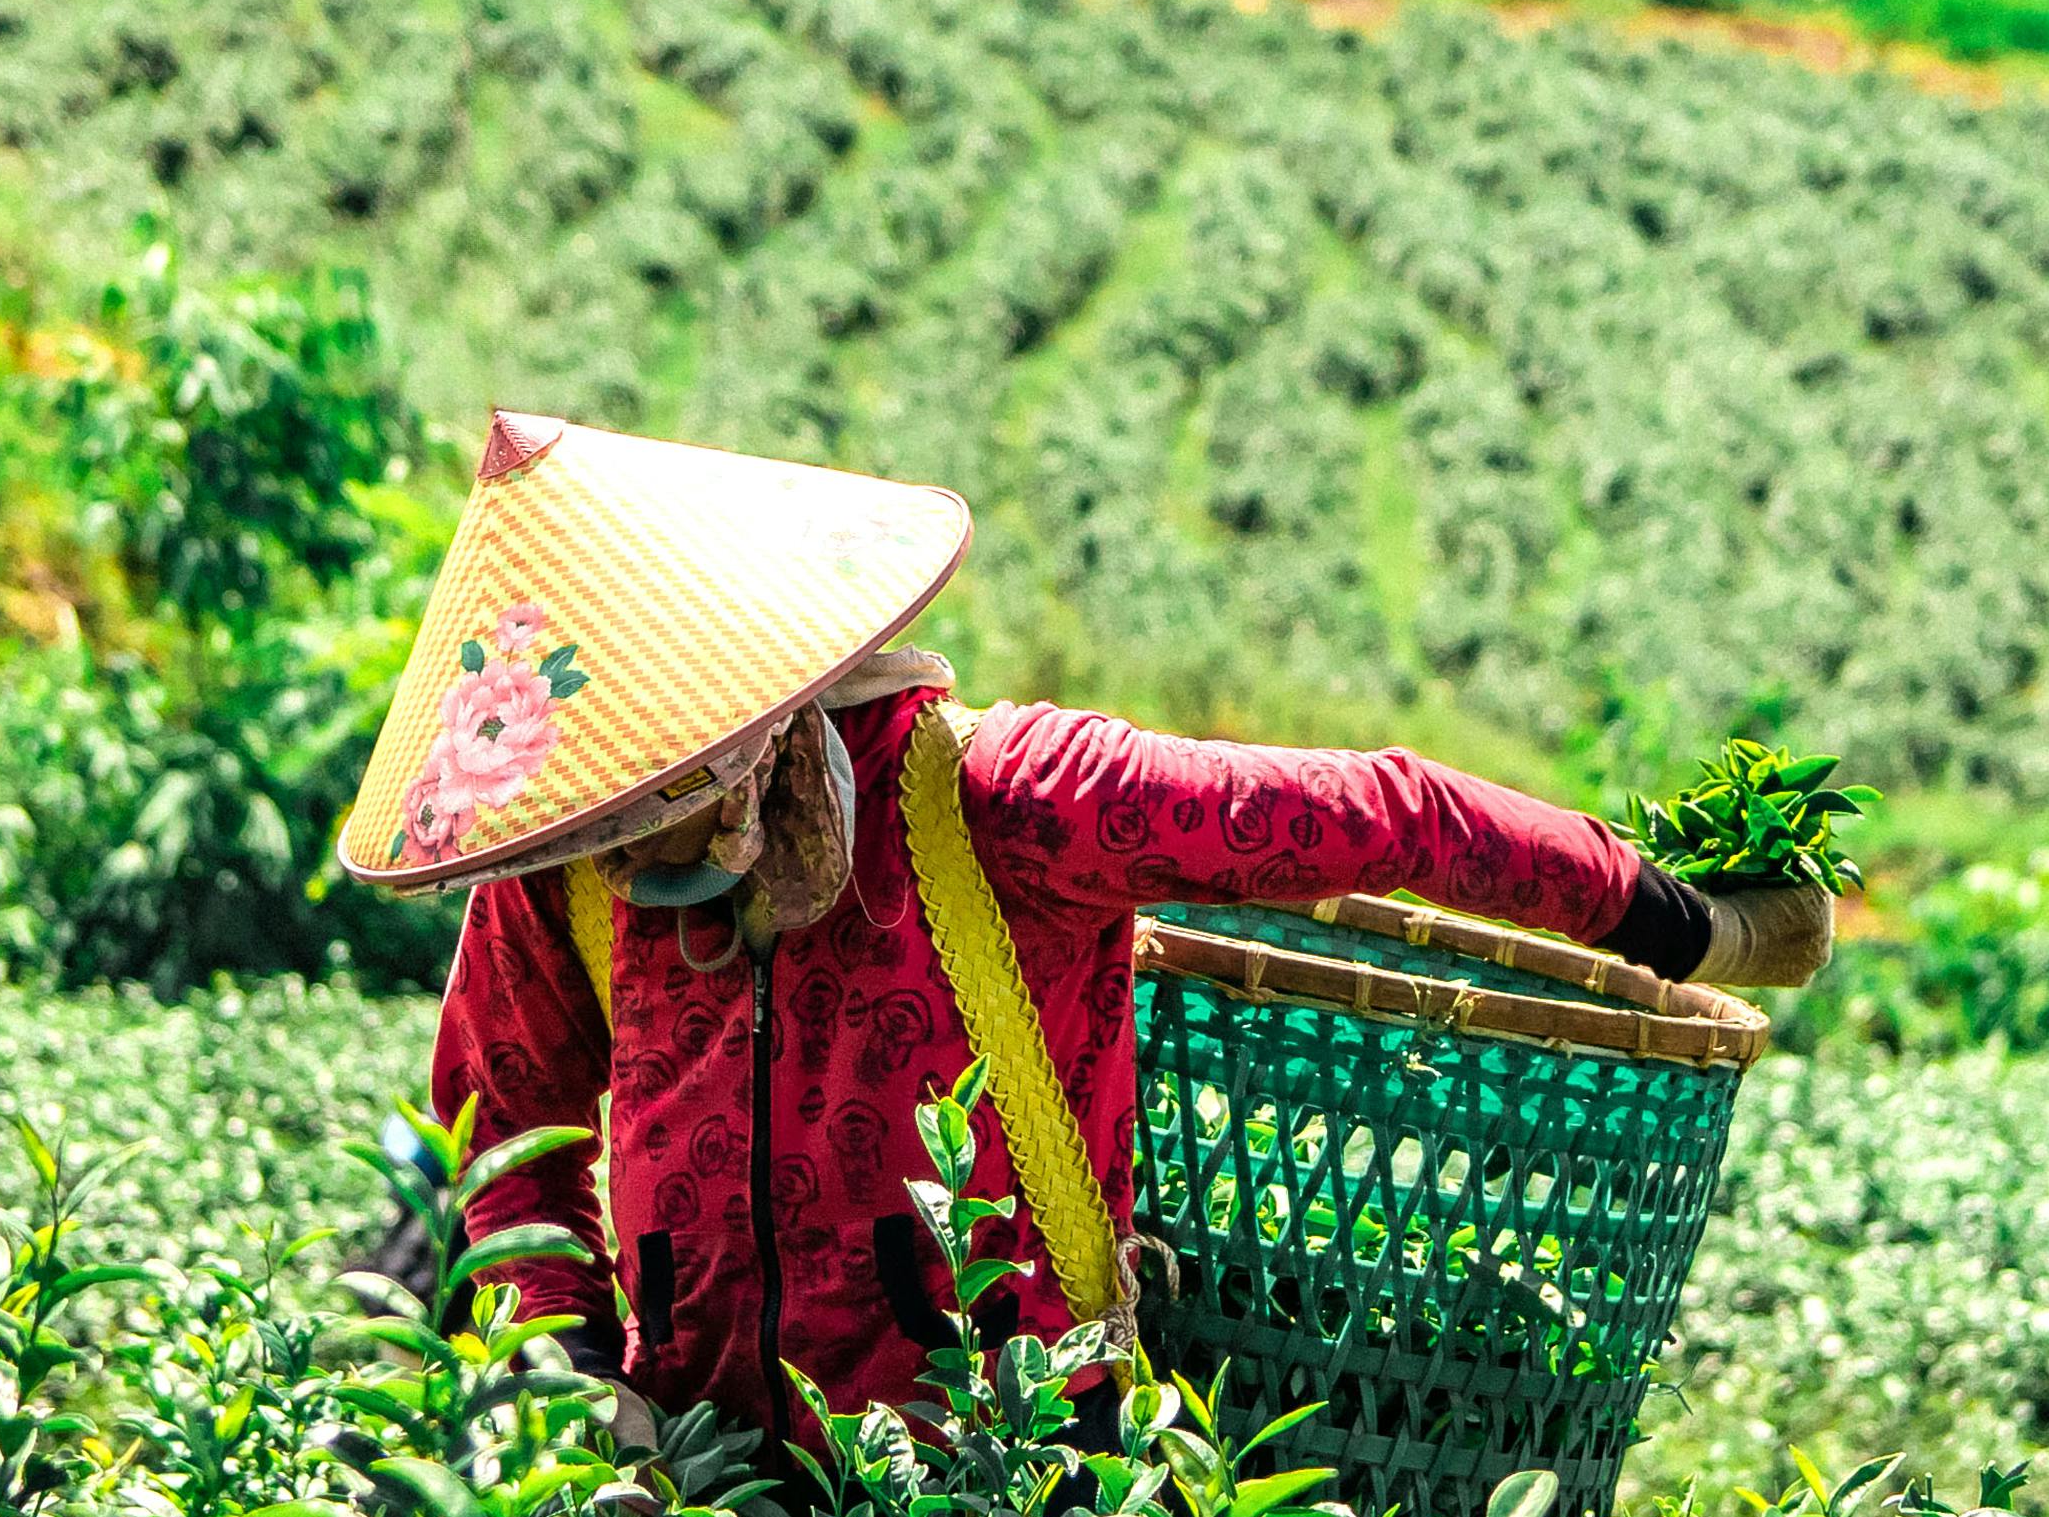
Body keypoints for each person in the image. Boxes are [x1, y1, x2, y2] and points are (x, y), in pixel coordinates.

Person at [334, 411, 1833, 1453]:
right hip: (705, 1472)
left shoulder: (998, 796)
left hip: (1017, 1462)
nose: (620, 841)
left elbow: (1384, 814)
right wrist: (578, 1369)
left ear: (744, 721)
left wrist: (1679, 921)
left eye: (648, 794)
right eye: (596, 812)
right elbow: (501, 1131)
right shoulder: (565, 867)